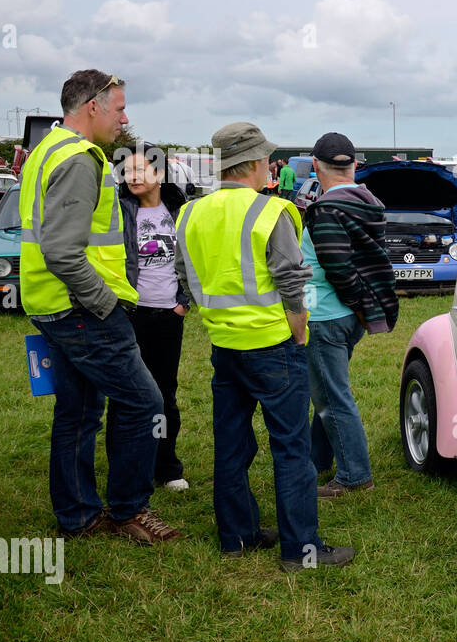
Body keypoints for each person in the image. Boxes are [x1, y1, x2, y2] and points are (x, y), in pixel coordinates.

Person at [176, 121, 354, 570]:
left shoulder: (190, 212)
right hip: (274, 346)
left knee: (231, 445)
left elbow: (185, 276)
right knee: (291, 448)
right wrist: (298, 333)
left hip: (224, 345)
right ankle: (301, 550)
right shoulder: (273, 212)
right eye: (268, 160)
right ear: (255, 163)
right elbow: (292, 282)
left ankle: (237, 536)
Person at [19, 70, 175, 543]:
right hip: (82, 310)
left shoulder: (46, 148)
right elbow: (63, 251)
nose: (124, 119)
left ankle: (80, 517)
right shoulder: (79, 158)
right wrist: (105, 303)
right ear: (93, 107)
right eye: (120, 108)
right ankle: (130, 509)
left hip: (51, 303)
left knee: (80, 410)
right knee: (144, 403)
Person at [301, 132, 399, 498]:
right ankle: (317, 458)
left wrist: (357, 305)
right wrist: (361, 310)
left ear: (315, 166)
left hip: (326, 314)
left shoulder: (326, 210)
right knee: (325, 389)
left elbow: (339, 268)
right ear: (354, 165)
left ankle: (355, 475)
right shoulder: (368, 202)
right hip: (348, 315)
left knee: (332, 397)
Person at [110, 141, 191, 492]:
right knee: (125, 393)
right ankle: (126, 464)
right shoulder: (118, 209)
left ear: (159, 173)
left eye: (141, 169)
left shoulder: (181, 209)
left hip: (168, 316)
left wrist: (184, 302)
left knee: (164, 393)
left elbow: (195, 258)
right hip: (129, 315)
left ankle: (166, 465)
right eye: (127, 170)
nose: (132, 176)